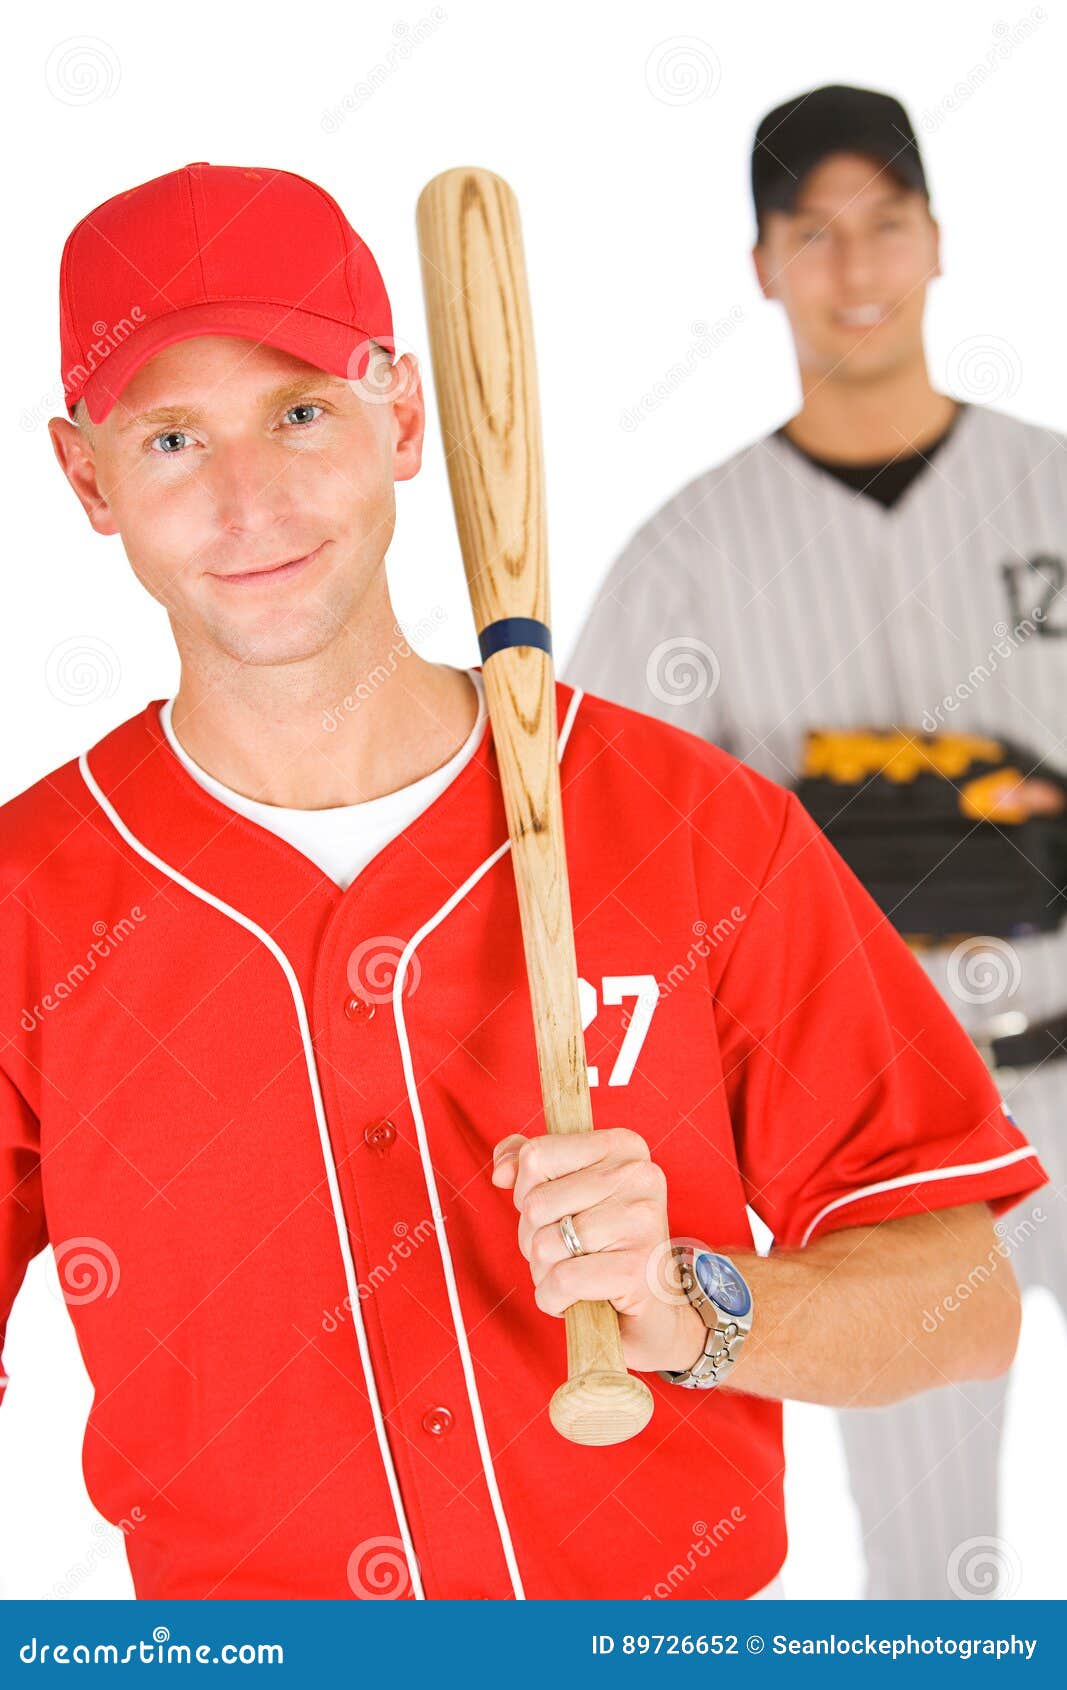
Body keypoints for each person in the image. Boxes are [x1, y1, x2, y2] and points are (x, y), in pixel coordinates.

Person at [0, 161, 1044, 1603]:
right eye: (172, 438)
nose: (250, 500)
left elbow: (965, 1301)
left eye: (301, 412)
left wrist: (702, 1303)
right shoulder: (28, 901)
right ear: (84, 475)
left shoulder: (687, 821)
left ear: (406, 415)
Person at [565, 85, 1066, 1600]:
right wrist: (816, 865)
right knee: (928, 1573)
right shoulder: (688, 553)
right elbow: (599, 859)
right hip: (877, 1147)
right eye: (814, 232)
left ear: (935, 243)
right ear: (764, 263)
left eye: (885, 226)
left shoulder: (1056, 488)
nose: (855, 269)